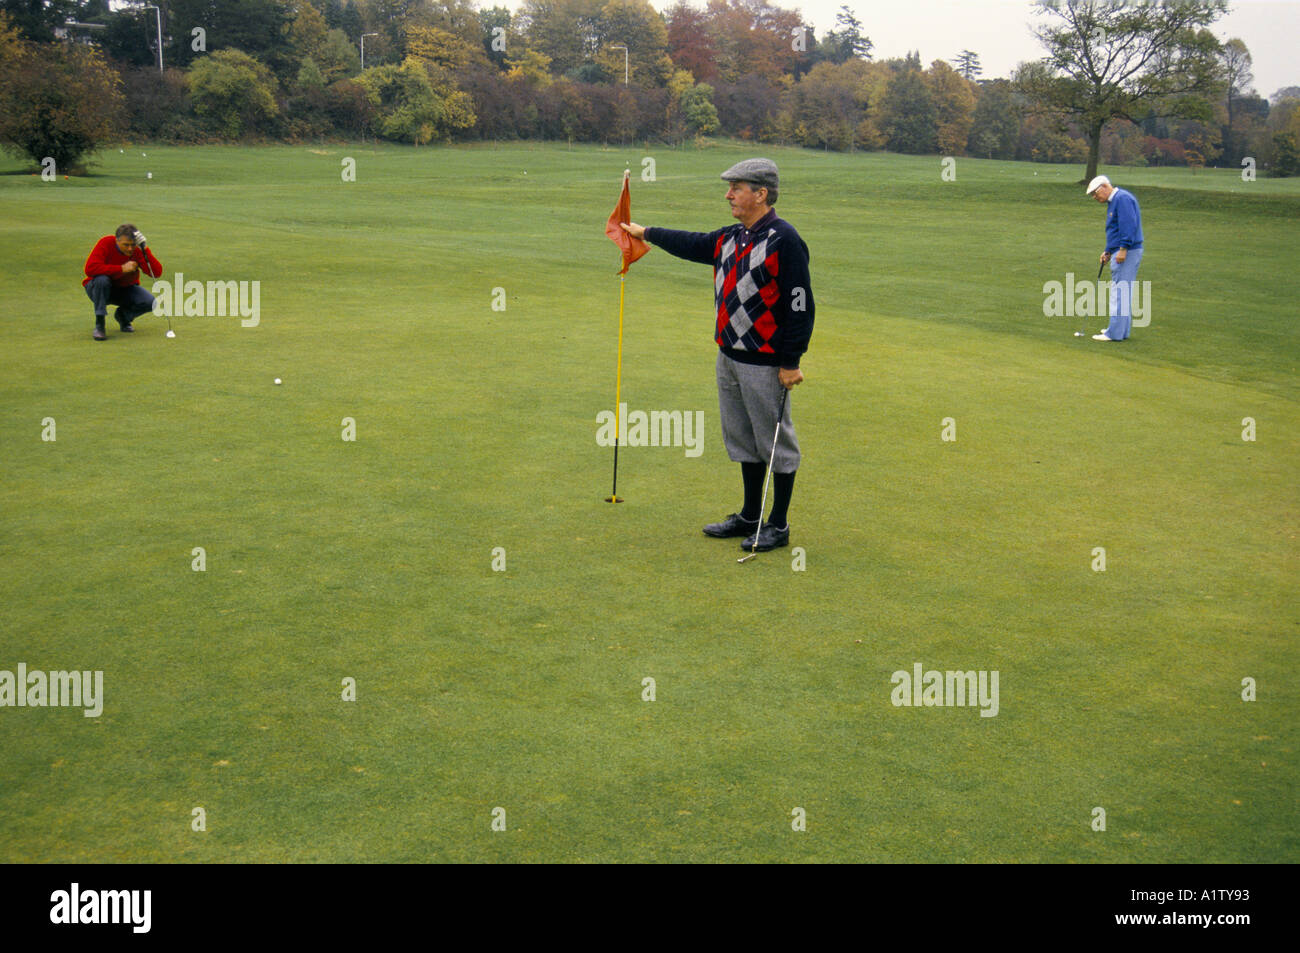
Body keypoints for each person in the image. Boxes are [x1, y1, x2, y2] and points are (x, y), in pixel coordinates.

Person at [622, 158, 814, 553]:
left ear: (761, 194)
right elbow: (693, 244)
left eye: (737, 188)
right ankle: (748, 514)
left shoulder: (784, 240)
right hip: (728, 356)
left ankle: (777, 525)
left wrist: (791, 360)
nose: (729, 194)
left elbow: (800, 304)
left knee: (776, 442)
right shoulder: (732, 236)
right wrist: (647, 232)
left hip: (765, 361)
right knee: (742, 438)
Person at [1085, 175, 1143, 342]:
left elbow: (1128, 226)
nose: (1095, 198)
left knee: (1119, 292)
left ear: (1104, 186)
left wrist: (1123, 249)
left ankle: (1114, 333)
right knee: (1122, 291)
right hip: (1120, 250)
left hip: (1127, 251)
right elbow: (1115, 230)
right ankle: (1121, 330)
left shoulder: (1122, 199)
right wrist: (1108, 250)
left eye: (1095, 194)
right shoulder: (1115, 201)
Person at [83, 225, 162, 341]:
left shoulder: (138, 250)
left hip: (125, 288)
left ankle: (123, 316)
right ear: (117, 240)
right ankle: (100, 324)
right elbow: (90, 269)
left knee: (151, 302)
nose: (130, 249)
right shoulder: (106, 243)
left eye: (133, 245)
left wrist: (145, 249)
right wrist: (121, 269)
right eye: (126, 245)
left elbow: (156, 272)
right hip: (98, 288)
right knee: (102, 280)